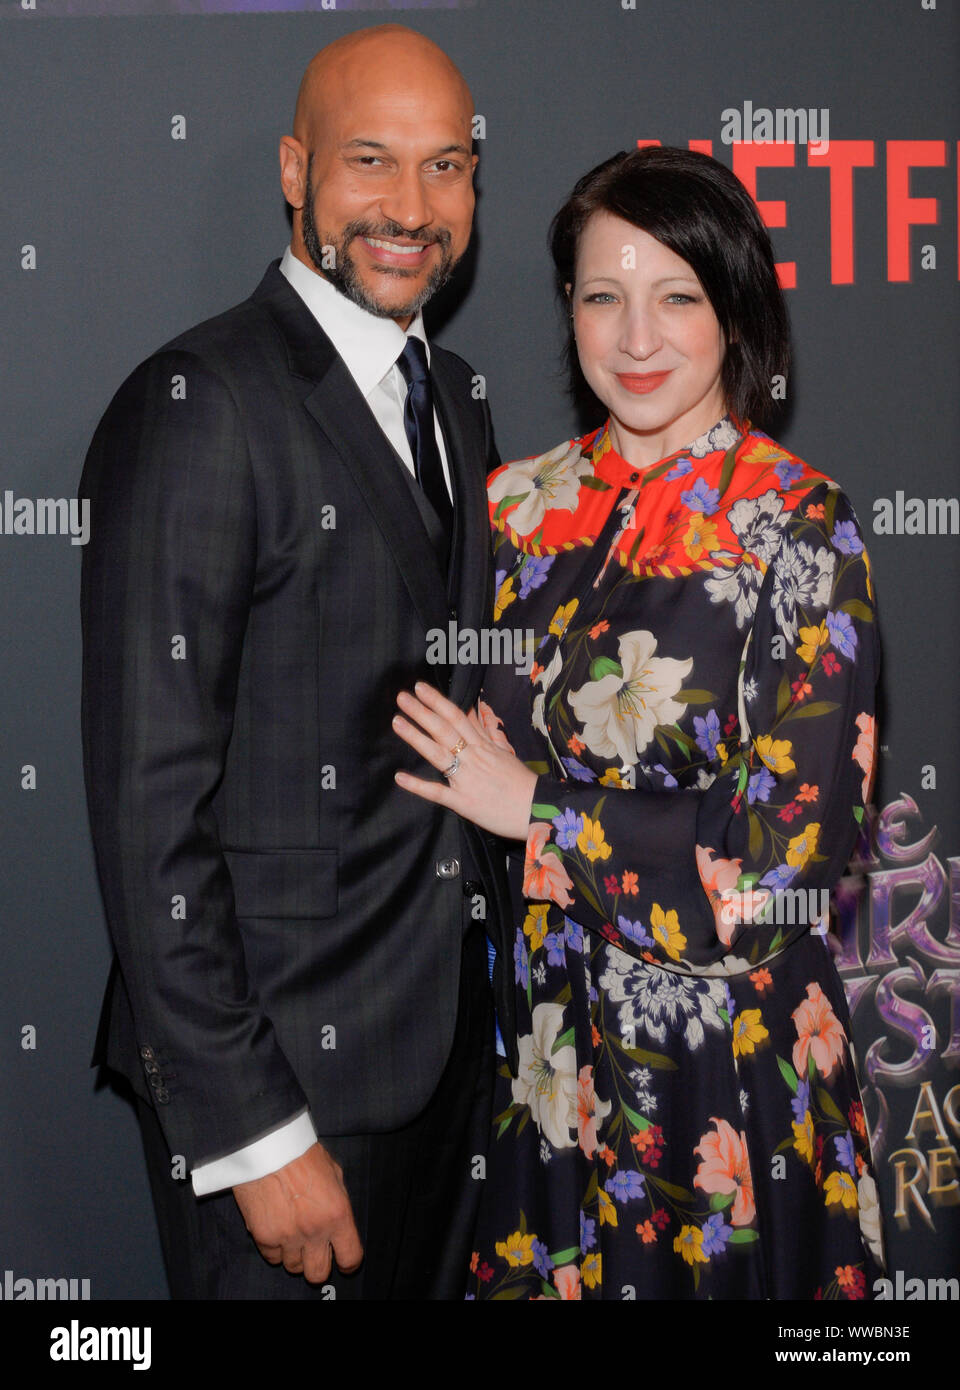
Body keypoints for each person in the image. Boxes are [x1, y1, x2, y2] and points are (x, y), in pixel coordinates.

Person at [392, 145, 885, 1300]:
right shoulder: (512, 504)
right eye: (603, 297)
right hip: (543, 1074)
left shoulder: (798, 525)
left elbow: (779, 868)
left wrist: (540, 811)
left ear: (734, 312)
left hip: (732, 1079)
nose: (638, 338)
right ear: (568, 310)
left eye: (678, 296)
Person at [79, 24, 501, 1301]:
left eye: (446, 168)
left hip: (444, 1070)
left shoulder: (462, 396)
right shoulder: (202, 403)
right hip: (279, 1091)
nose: (410, 209)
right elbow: (149, 805)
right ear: (293, 170)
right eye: (370, 161)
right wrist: (252, 1130)